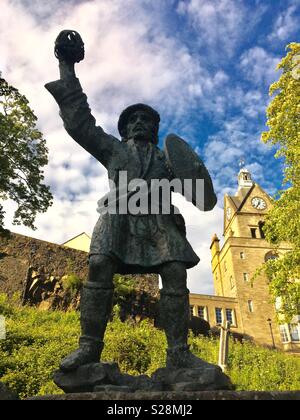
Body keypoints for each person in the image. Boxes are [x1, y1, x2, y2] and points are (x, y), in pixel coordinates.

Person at [45, 30, 217, 372]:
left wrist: (196, 176)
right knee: (98, 264)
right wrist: (67, 65)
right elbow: (80, 123)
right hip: (119, 214)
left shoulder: (167, 161)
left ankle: (178, 353)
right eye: (133, 120)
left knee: (175, 270)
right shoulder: (113, 149)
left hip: (158, 219)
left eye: (146, 120)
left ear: (154, 129)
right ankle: (89, 350)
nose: (140, 123)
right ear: (124, 129)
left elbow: (199, 192)